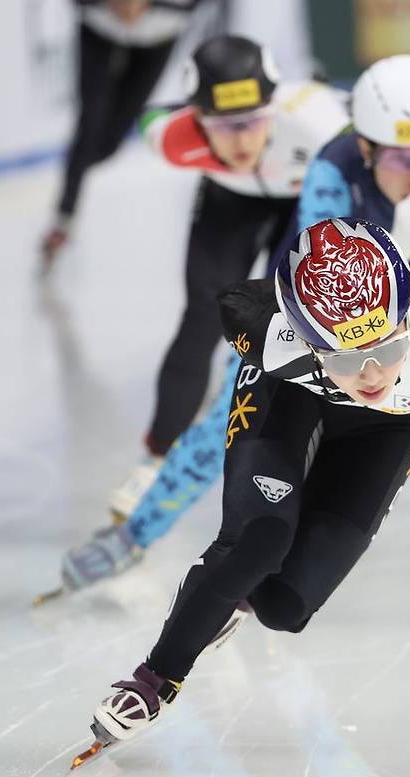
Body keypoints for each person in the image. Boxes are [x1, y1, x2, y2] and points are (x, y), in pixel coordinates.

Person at [57, 53, 410, 592]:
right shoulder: (333, 173)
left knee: (377, 400)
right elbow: (321, 292)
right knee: (232, 409)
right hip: (324, 280)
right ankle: (133, 537)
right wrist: (400, 239)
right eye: (399, 160)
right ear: (365, 149)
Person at [69, 217, 410, 768]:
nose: (372, 373)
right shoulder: (273, 339)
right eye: (350, 359)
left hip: (390, 426)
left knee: (285, 604)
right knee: (257, 543)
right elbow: (234, 296)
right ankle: (154, 681)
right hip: (292, 393)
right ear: (305, 339)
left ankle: (242, 597)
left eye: (387, 349)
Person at [100, 35, 350, 521]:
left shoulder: (320, 125)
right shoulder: (174, 138)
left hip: (307, 194)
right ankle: (156, 457)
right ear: (196, 119)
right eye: (222, 126)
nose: (241, 141)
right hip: (230, 200)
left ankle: (304, 455)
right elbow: (153, 114)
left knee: (293, 317)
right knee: (201, 320)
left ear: (273, 107)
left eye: (254, 121)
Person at [40, 0, 231, 268]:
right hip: (99, 35)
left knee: (108, 143)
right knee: (90, 124)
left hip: (156, 42)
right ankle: (64, 218)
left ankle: (79, 168)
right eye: (117, 1)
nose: (126, 10)